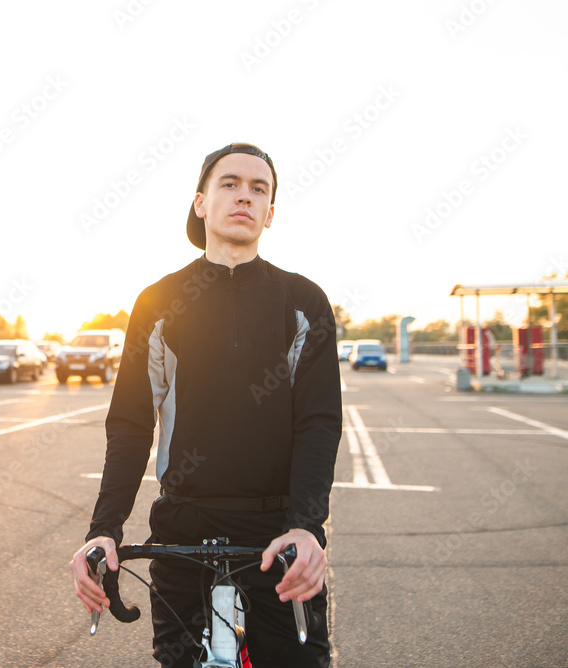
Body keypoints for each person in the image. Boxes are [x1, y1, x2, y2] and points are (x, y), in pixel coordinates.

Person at [69, 142, 342, 667]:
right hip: (183, 525)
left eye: (259, 189)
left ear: (270, 212)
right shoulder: (158, 301)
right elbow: (129, 424)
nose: (245, 196)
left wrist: (307, 527)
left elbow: (319, 422)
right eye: (230, 183)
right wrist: (103, 528)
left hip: (277, 531)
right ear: (200, 202)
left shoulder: (304, 301)